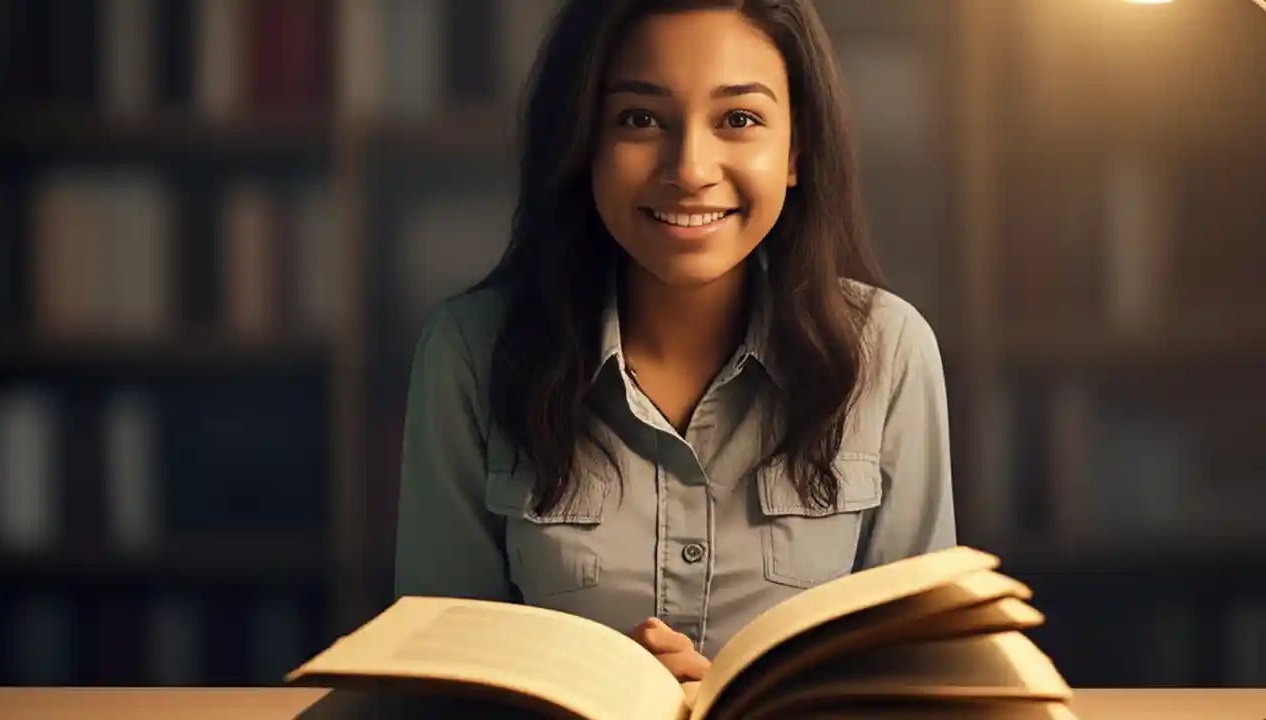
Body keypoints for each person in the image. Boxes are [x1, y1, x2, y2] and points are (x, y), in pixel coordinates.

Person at [394, 0, 955, 684]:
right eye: (639, 119)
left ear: (796, 151)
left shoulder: (888, 352)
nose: (690, 168)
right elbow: (442, 682)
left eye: (739, 120)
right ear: (583, 140)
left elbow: (921, 684)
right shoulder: (469, 353)